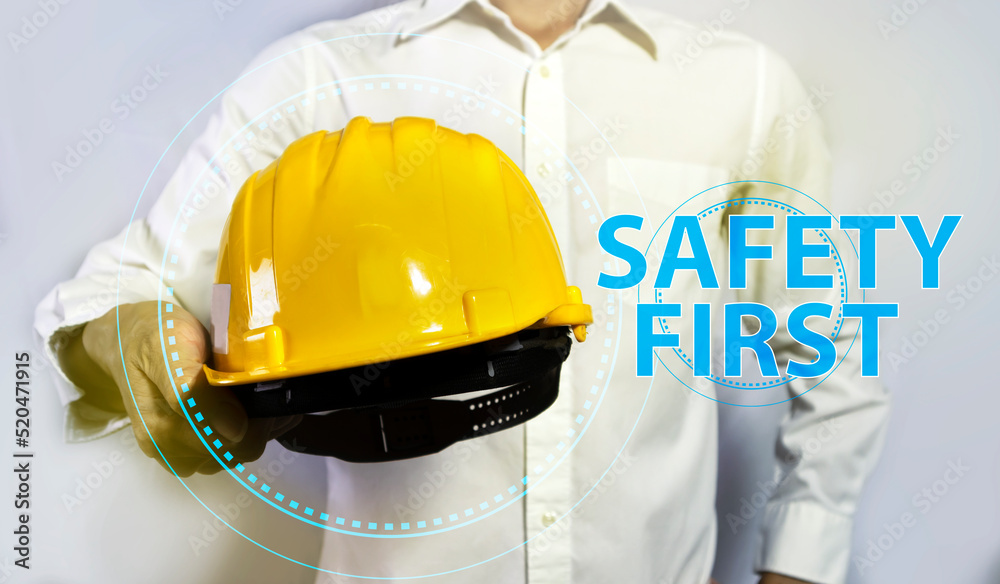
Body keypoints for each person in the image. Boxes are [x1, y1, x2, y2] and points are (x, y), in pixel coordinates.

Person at [34, 1, 889, 583]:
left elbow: (837, 336)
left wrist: (801, 561)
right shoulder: (316, 78)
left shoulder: (742, 86)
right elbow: (110, 290)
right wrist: (124, 334)